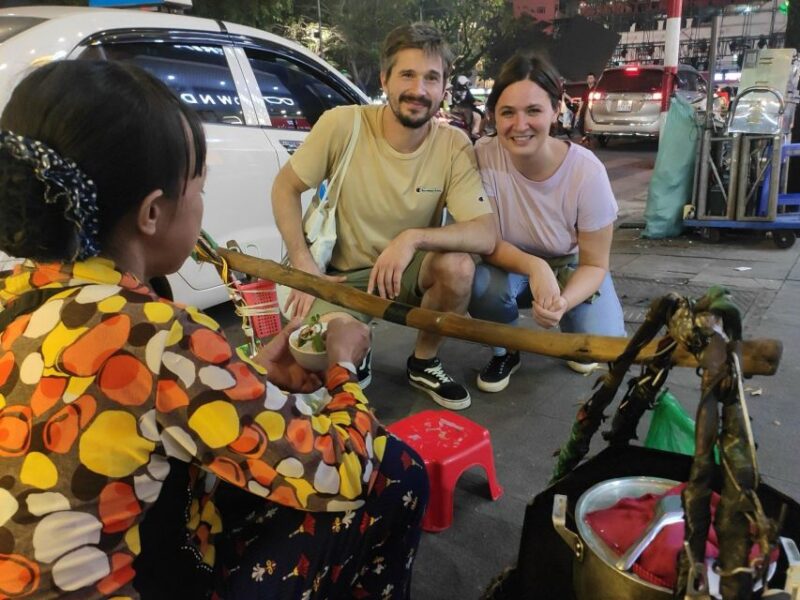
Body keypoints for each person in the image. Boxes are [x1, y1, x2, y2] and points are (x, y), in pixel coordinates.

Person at [0, 60, 427, 599]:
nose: (201, 204)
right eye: (198, 187)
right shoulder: (157, 334)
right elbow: (341, 470)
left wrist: (244, 376)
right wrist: (343, 368)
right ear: (153, 212)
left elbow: (127, 417)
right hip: (142, 578)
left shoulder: (13, 294)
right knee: (392, 473)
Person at [272, 23, 496, 411]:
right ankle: (356, 338)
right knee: (310, 379)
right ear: (385, 80)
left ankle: (423, 361)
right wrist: (304, 263)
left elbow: (485, 233)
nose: (419, 90)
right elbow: (284, 188)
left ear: (444, 88)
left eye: (431, 78)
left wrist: (412, 238)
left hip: (406, 270)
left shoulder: (453, 144)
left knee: (459, 268)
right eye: (407, 74)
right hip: (342, 276)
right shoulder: (343, 124)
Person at [468, 54, 626, 393]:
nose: (519, 124)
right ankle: (506, 348)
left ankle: (572, 321)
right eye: (507, 112)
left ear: (556, 110)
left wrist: (562, 302)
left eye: (534, 111)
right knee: (480, 283)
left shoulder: (587, 171)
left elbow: (596, 263)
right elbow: (487, 241)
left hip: (570, 265)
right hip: (509, 264)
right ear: (494, 113)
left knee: (602, 344)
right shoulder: (483, 155)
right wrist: (535, 268)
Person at [578, 72, 597, 145]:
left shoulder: (596, 89)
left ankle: (587, 138)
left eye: (591, 78)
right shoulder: (585, 89)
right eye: (588, 78)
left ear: (594, 79)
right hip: (584, 107)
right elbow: (582, 100)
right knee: (580, 124)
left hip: (592, 107)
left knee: (588, 124)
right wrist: (579, 111)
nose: (590, 79)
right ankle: (585, 137)